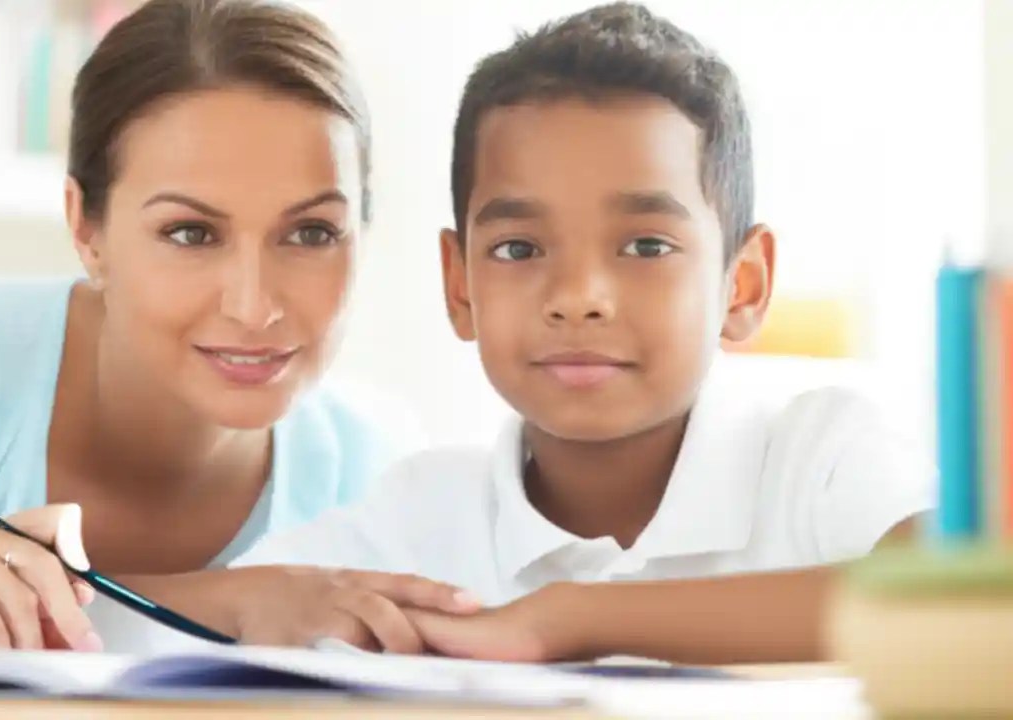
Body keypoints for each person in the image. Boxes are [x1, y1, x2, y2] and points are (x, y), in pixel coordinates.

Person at [0, 0, 469, 664]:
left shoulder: (374, 465)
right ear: (87, 228)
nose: (255, 306)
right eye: (190, 233)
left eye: (311, 233)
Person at [227, 1, 935, 663]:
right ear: (460, 284)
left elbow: (961, 599)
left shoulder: (822, 458)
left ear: (742, 284)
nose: (578, 300)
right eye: (519, 249)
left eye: (646, 247)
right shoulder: (422, 512)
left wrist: (570, 619)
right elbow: (178, 613)